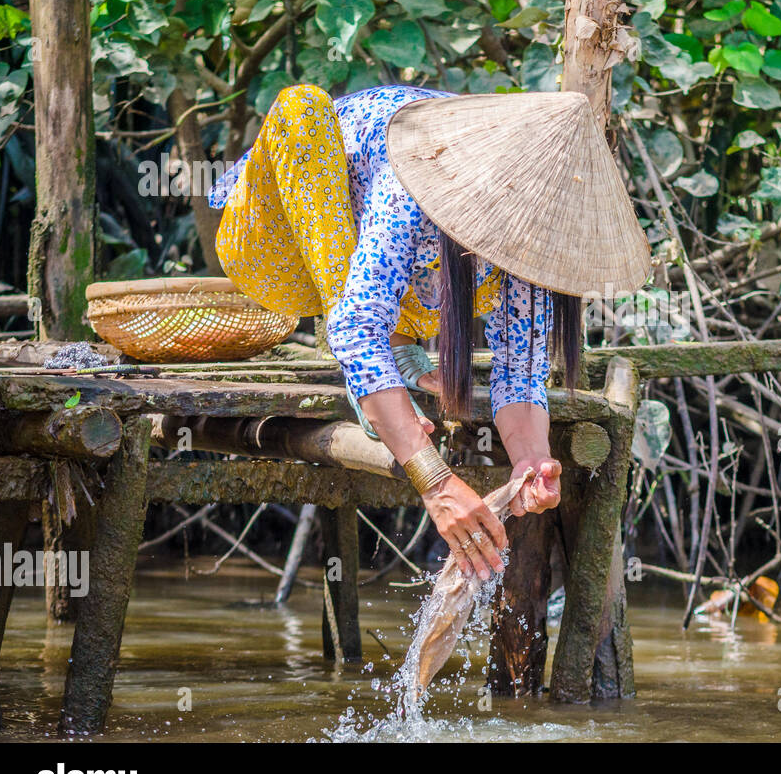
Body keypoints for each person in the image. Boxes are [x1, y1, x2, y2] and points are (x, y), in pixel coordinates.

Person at [206, 83, 649, 581]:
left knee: (407, 295)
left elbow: (520, 373)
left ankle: (387, 355)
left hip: (393, 283)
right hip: (271, 244)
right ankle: (376, 365)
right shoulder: (412, 186)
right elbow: (354, 326)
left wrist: (532, 459)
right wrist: (435, 482)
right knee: (301, 106)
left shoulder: (535, 227)